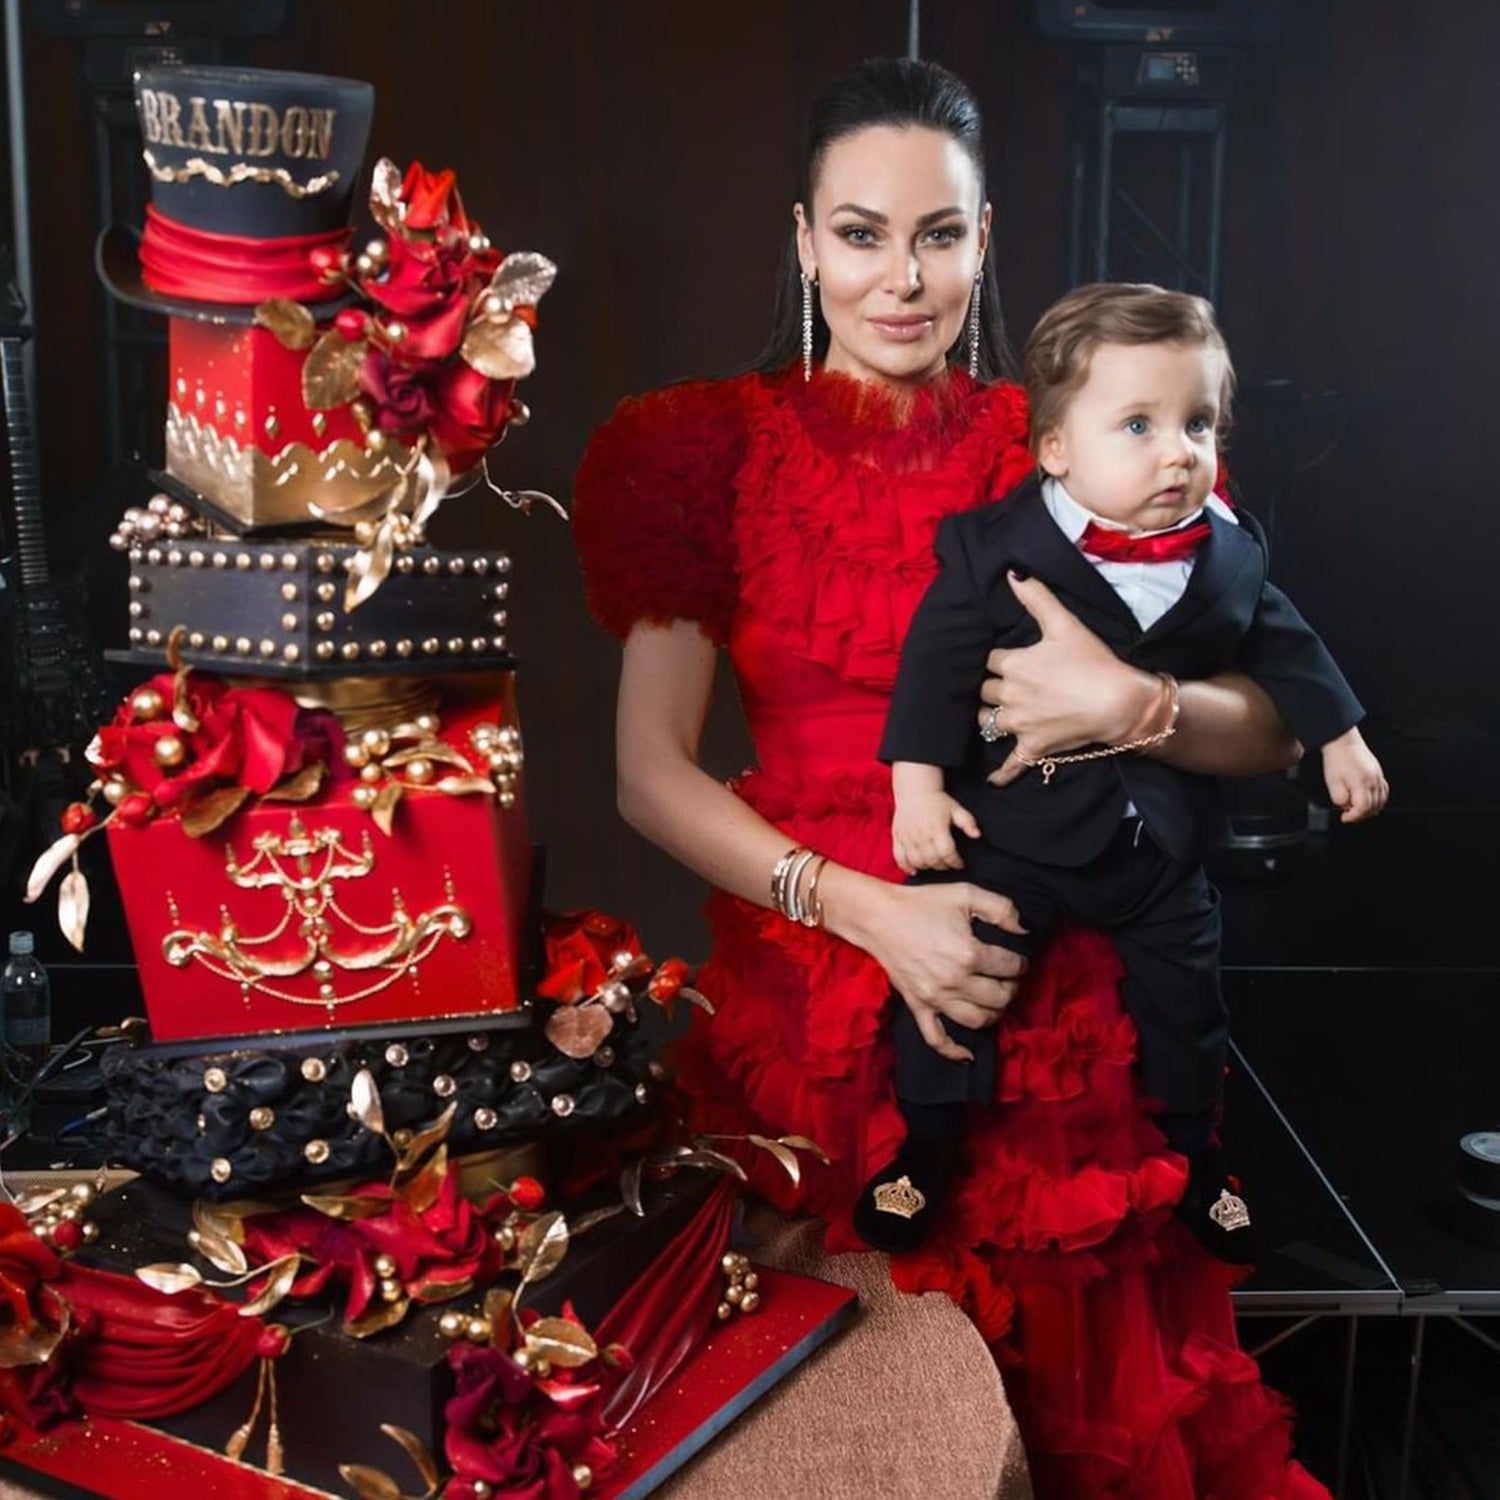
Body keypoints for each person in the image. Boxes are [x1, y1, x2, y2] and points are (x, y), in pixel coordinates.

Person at [576, 56, 1331, 1499]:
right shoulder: (702, 451)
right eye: (861, 234)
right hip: (817, 1003)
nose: (901, 278)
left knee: (1085, 1424)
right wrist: (866, 911)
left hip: (1059, 1006)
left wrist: (1139, 701)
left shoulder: (1081, 435)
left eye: (937, 235)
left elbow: (1272, 725)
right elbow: (646, 774)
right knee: (850, 1435)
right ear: (805, 241)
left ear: (984, 242)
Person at [861, 282, 1387, 1261]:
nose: (1178, 452)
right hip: (1015, 830)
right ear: (1057, 448)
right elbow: (935, 666)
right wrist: (918, 788)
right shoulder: (997, 549)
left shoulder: (1229, 551)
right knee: (957, 976)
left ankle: (1198, 1154)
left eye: (1199, 423)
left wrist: (1340, 737)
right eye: (1139, 425)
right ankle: (924, 1145)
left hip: (1159, 844)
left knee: (1191, 1001)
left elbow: (1285, 642)